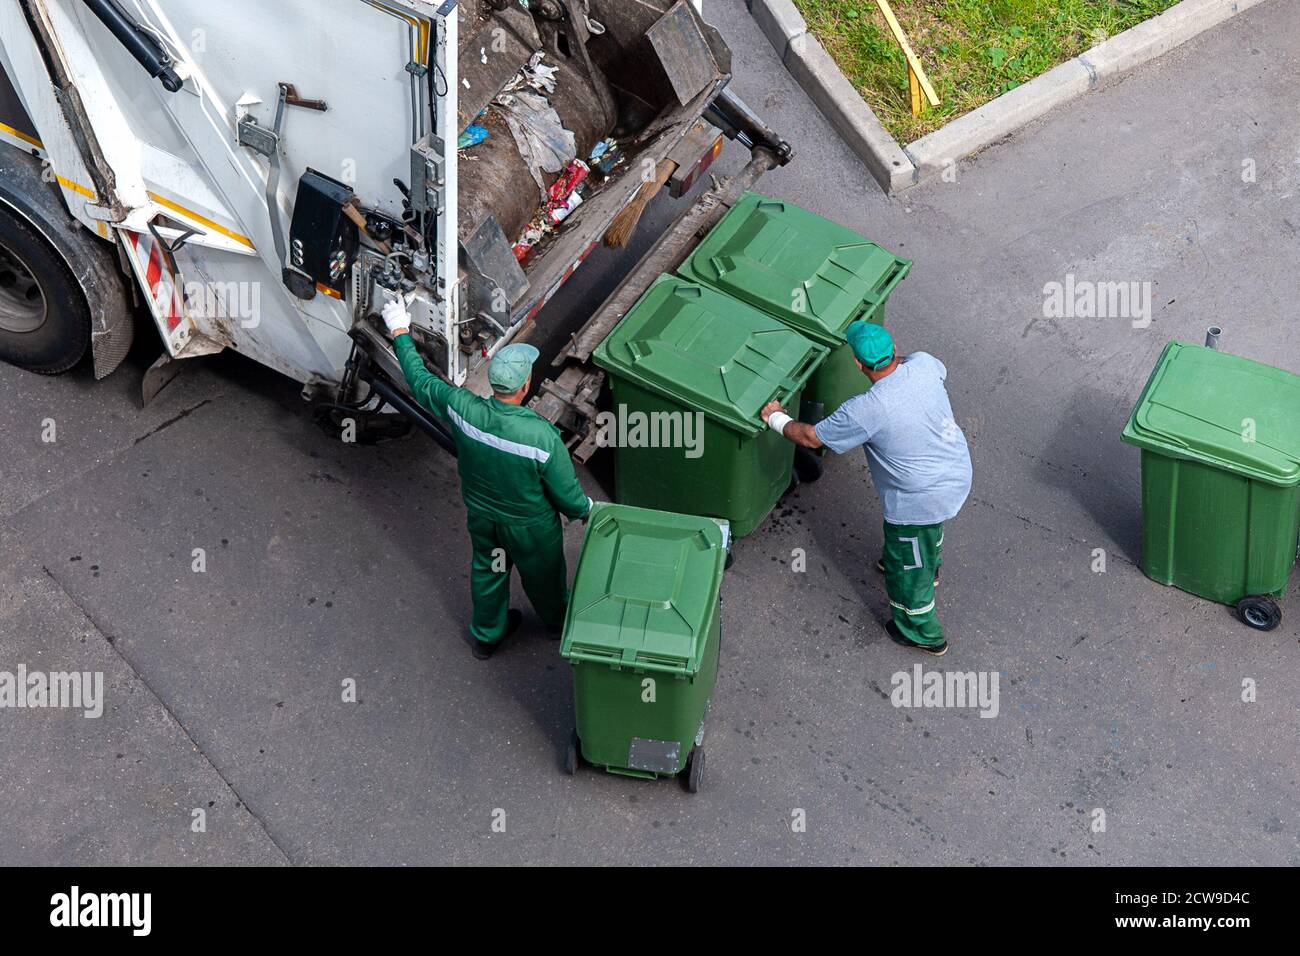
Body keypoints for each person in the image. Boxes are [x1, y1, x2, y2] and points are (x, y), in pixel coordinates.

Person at [382, 297, 592, 660]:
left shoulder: (463, 409)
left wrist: (400, 329)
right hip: (531, 529)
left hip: (484, 519)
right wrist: (589, 510)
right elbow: (569, 498)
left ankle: (487, 635)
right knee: (543, 577)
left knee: (489, 570)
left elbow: (419, 380)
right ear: (525, 386)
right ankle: (556, 622)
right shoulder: (541, 438)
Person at [761, 322, 971, 656]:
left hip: (921, 498)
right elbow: (921, 370)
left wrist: (775, 417)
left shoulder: (867, 409)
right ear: (894, 348)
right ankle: (925, 566)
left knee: (909, 568)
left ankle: (921, 631)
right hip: (954, 470)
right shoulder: (924, 364)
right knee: (926, 534)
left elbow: (810, 438)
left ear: (857, 364)